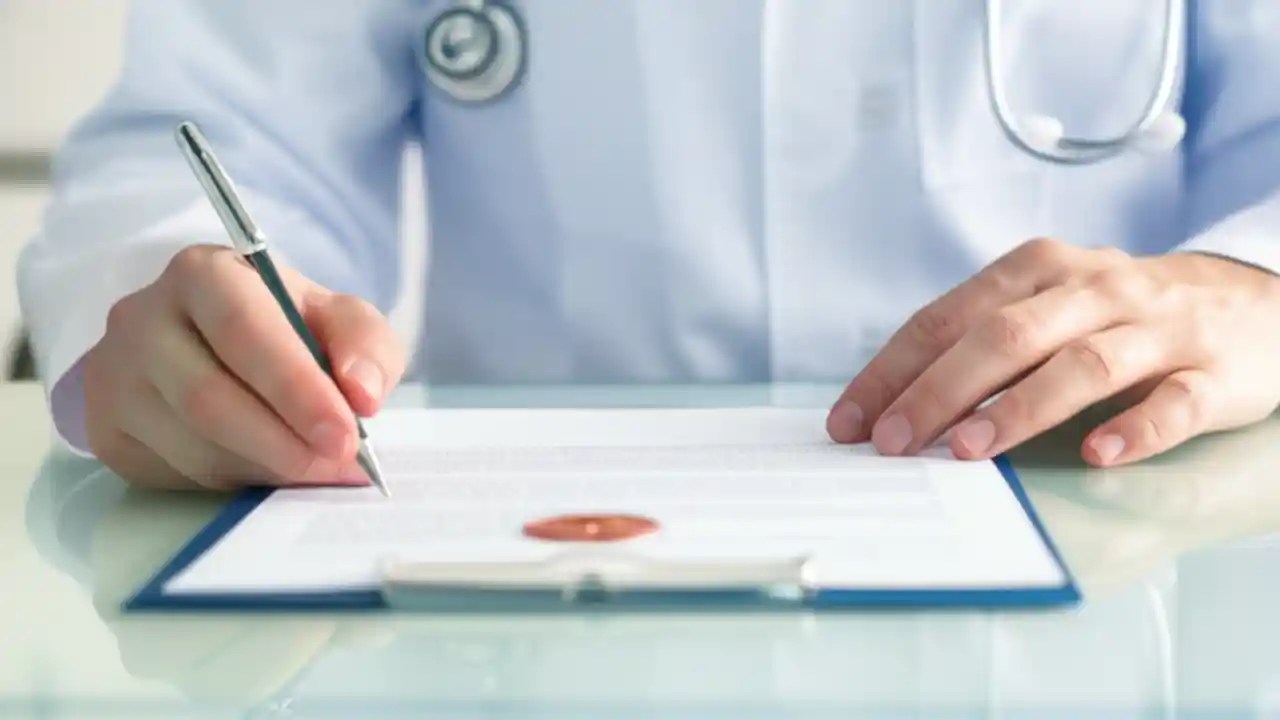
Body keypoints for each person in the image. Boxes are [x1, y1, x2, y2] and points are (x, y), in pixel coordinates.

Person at [17, 1, 1280, 491]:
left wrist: (1247, 279)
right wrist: (187, 305)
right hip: (513, 554)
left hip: (1094, 499)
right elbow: (215, 133)